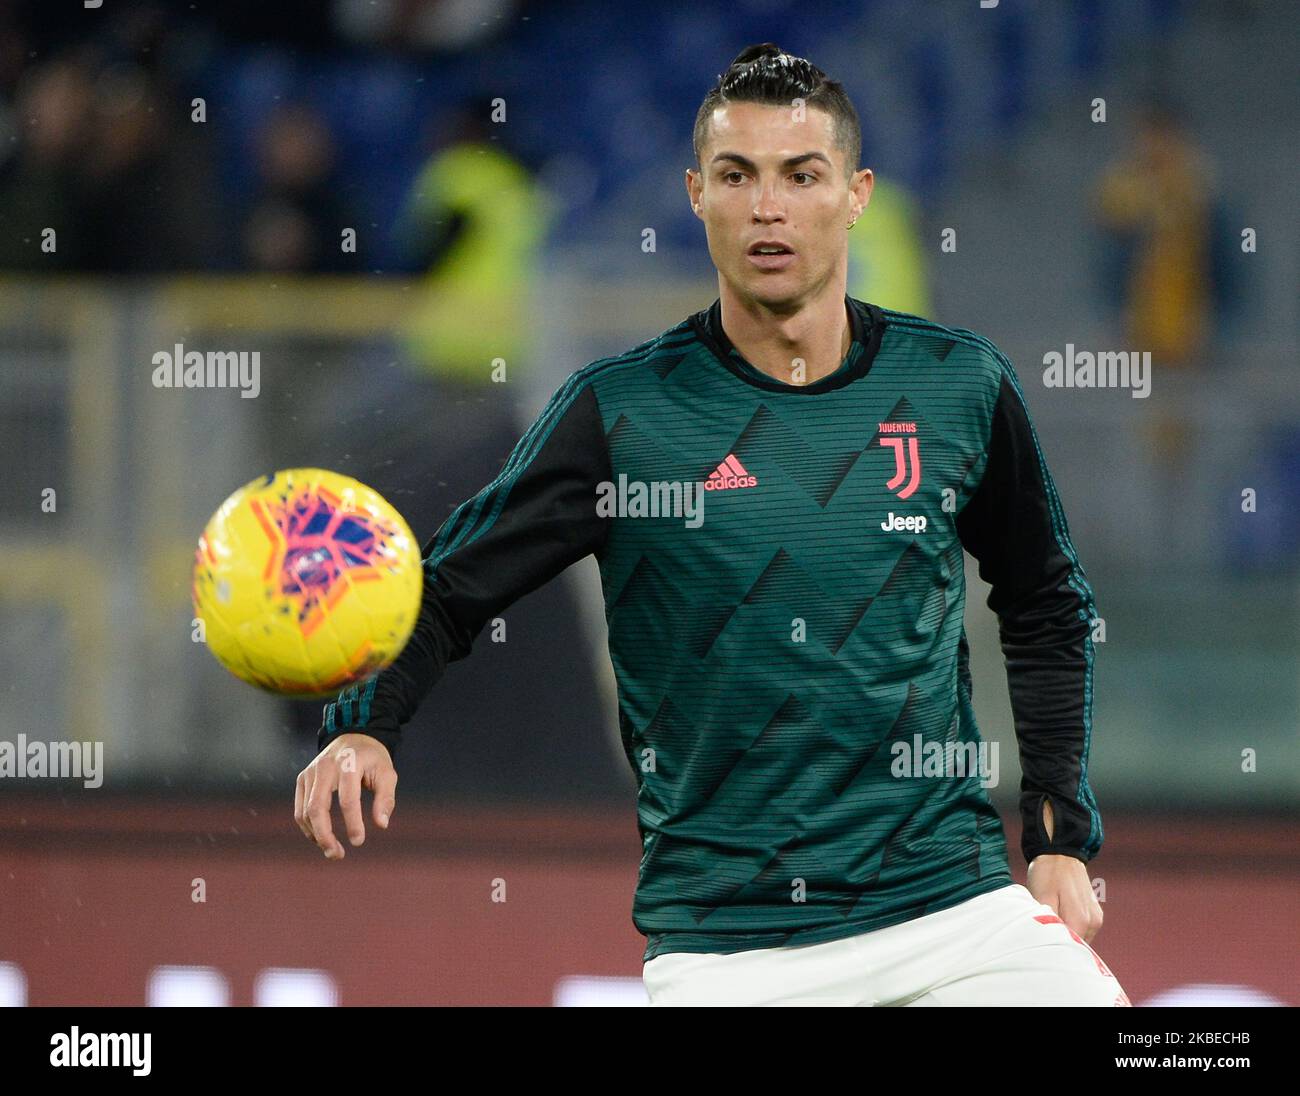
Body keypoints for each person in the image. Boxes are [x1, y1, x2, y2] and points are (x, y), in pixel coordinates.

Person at [295, 43, 1128, 1007]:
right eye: (737, 176)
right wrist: (365, 726)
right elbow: (445, 588)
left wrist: (1061, 839)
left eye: (800, 175)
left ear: (855, 194)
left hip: (953, 911)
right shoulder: (621, 413)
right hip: (730, 952)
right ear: (696, 194)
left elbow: (1045, 602)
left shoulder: (956, 385)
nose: (767, 207)